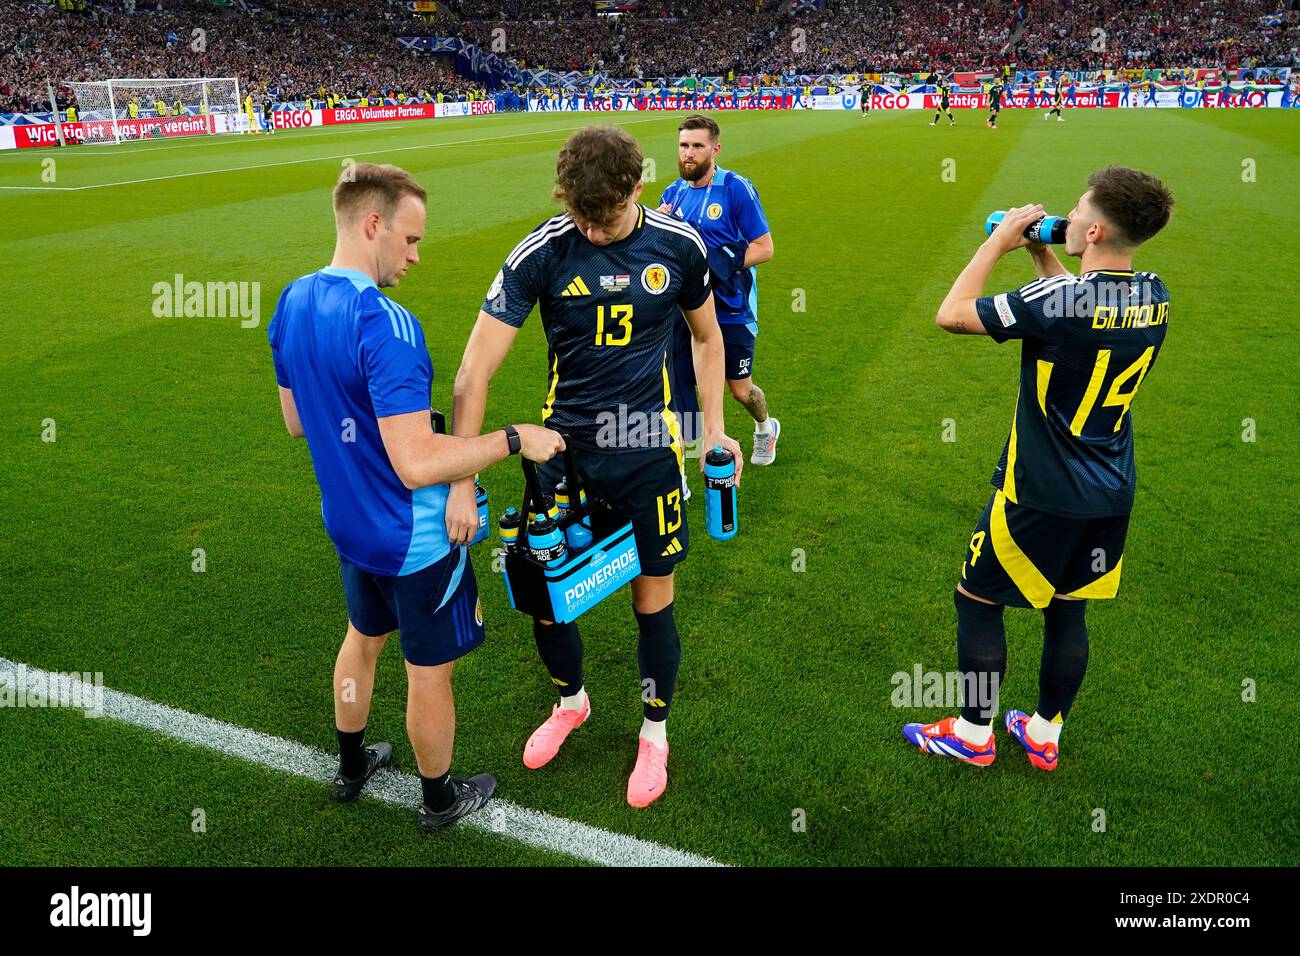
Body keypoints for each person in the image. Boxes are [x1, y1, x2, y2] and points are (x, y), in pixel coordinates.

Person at [449, 126, 743, 809]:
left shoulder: (678, 245)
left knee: (652, 603)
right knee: (547, 606)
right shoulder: (543, 252)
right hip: (562, 459)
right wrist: (462, 477)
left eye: (603, 217)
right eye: (581, 216)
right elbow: (473, 372)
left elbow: (707, 338)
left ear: (638, 186)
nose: (593, 230)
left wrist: (717, 431)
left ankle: (654, 734)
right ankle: (572, 703)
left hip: (647, 457)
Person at [267, 163, 565, 831]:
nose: (416, 256)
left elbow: (296, 420)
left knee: (362, 637)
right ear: (374, 224)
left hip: (348, 523)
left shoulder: (292, 300)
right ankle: (438, 800)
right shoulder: (387, 323)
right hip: (414, 537)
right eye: (411, 239)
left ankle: (350, 765)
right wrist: (515, 437)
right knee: (428, 672)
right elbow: (412, 466)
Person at [904, 167, 1175, 770]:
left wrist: (997, 244)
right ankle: (1045, 731)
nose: (1069, 218)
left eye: (1079, 211)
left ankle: (974, 733)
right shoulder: (1155, 292)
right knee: (1067, 607)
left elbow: (952, 314)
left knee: (977, 600)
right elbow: (1081, 318)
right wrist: (1042, 256)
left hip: (1040, 489)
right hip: (1111, 491)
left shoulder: (1058, 301)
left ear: (1098, 229)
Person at [658, 115, 778, 470]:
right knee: (680, 387)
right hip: (687, 308)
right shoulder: (672, 193)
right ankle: (687, 458)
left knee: (741, 390)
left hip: (730, 306)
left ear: (715, 149)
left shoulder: (736, 188)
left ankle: (764, 426)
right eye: (683, 146)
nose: (689, 154)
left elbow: (765, 247)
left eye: (697, 146)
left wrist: (725, 259)